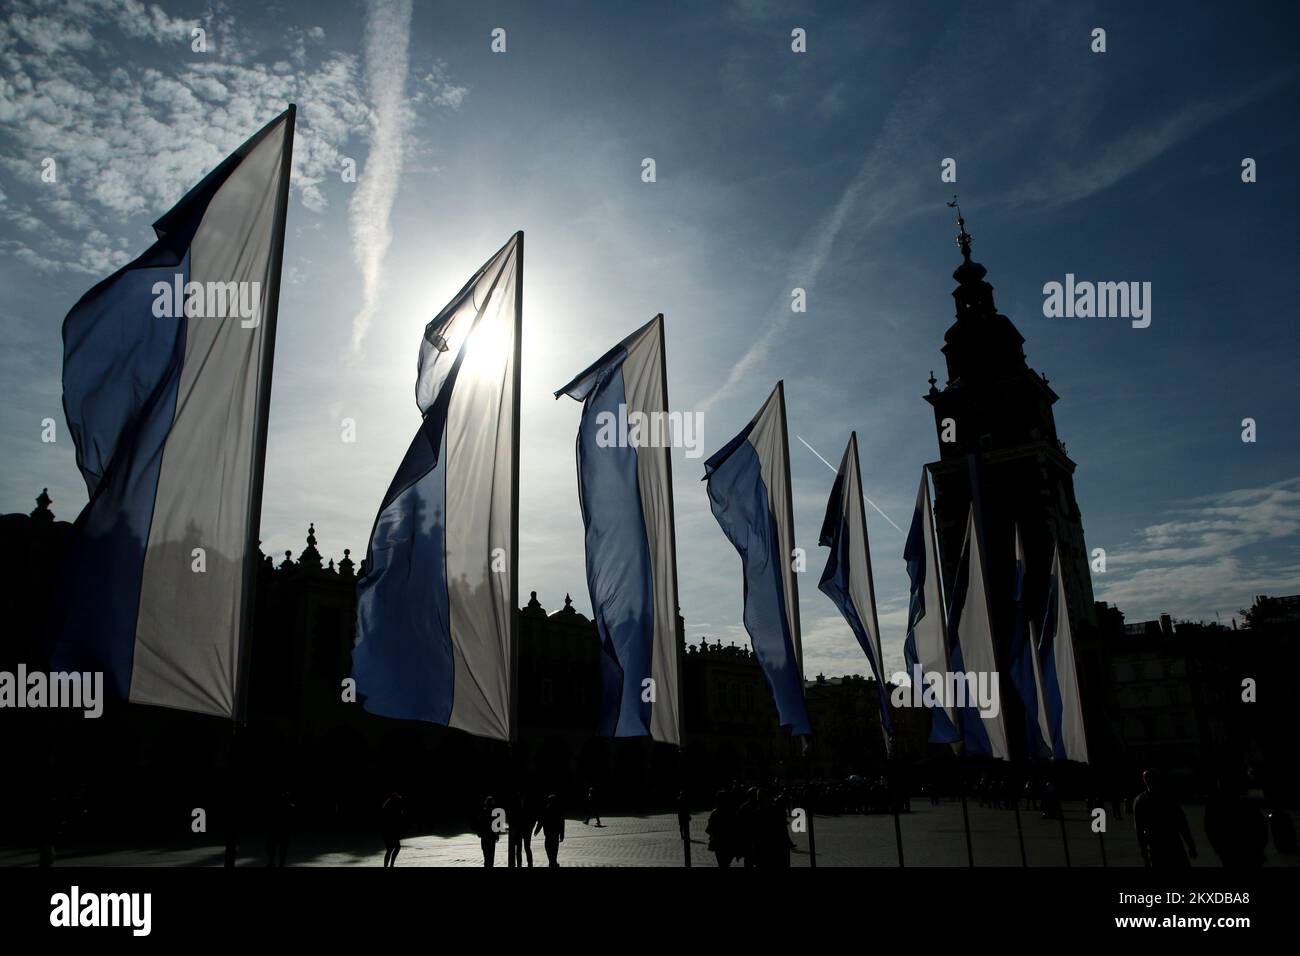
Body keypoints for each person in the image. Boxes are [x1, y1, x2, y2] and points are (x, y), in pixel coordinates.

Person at [1133, 770, 1197, 868]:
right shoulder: (1168, 798)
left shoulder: (1141, 801)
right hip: (1170, 844)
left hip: (1157, 846)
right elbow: (1182, 824)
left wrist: (1144, 852)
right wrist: (1191, 845)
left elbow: (1139, 830)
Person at [1204, 776, 1268, 868]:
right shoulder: (1247, 802)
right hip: (1251, 852)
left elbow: (1210, 829)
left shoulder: (1215, 804)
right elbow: (1260, 828)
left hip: (1230, 853)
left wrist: (1220, 850)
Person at [535, 794, 564, 867]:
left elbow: (541, 821)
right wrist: (562, 834)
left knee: (548, 847)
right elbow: (561, 823)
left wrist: (537, 830)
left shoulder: (546, 809)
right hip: (555, 833)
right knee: (554, 848)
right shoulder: (558, 810)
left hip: (548, 833)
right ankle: (553, 861)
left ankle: (552, 861)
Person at [705, 791, 733, 867]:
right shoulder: (731, 812)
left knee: (721, 863)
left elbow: (708, 829)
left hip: (718, 842)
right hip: (729, 842)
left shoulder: (715, 813)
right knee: (727, 863)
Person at [266, 790, 293, 867]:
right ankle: (278, 864)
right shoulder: (289, 806)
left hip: (279, 829)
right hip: (283, 830)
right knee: (281, 848)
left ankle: (274, 863)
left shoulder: (279, 806)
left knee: (274, 847)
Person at [510, 795, 537, 867]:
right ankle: (519, 864)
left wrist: (531, 827)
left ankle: (530, 864)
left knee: (527, 847)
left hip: (527, 830)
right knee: (519, 848)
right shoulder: (516, 805)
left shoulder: (529, 805)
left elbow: (534, 817)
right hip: (519, 830)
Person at [381, 792, 404, 867]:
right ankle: (389, 865)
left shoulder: (392, 804)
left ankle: (391, 865)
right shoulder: (389, 805)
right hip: (388, 831)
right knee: (391, 849)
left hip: (390, 831)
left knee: (395, 848)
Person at [479, 796, 500, 867]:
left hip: (485, 836)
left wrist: (480, 832)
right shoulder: (495, 813)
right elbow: (497, 825)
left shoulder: (483, 812)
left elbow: (480, 824)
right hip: (491, 836)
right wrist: (497, 835)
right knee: (491, 856)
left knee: (486, 855)